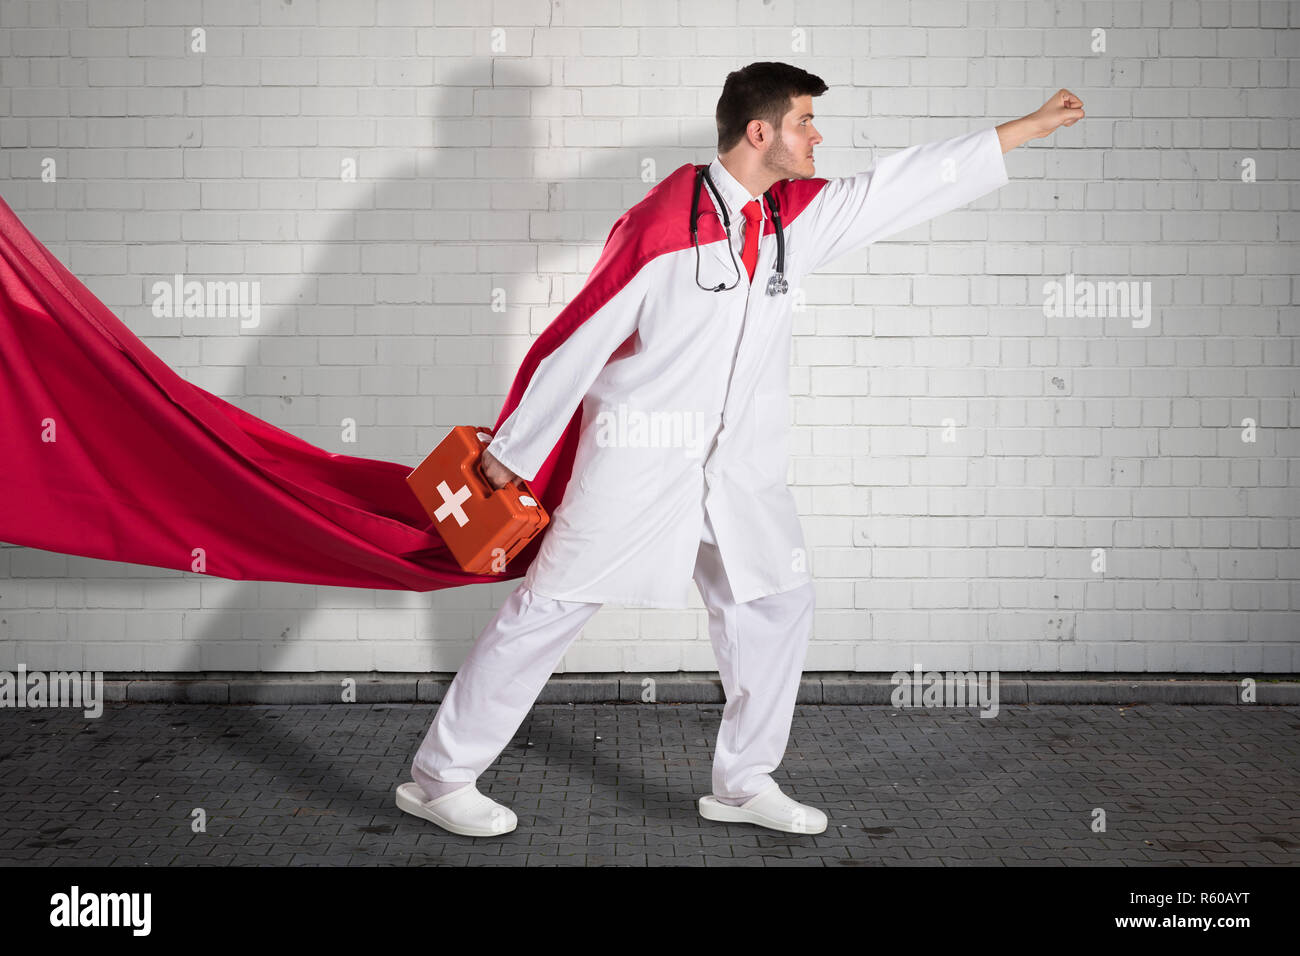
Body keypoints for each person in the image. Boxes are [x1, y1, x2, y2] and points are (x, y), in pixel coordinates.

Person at [396, 62, 1084, 837]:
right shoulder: (661, 223)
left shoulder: (791, 217)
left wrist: (1022, 130)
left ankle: (742, 783)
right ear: (761, 133)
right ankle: (438, 778)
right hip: (639, 459)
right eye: (804, 121)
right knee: (550, 606)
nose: (817, 135)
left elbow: (898, 187)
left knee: (776, 602)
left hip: (738, 471)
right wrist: (517, 446)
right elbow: (580, 335)